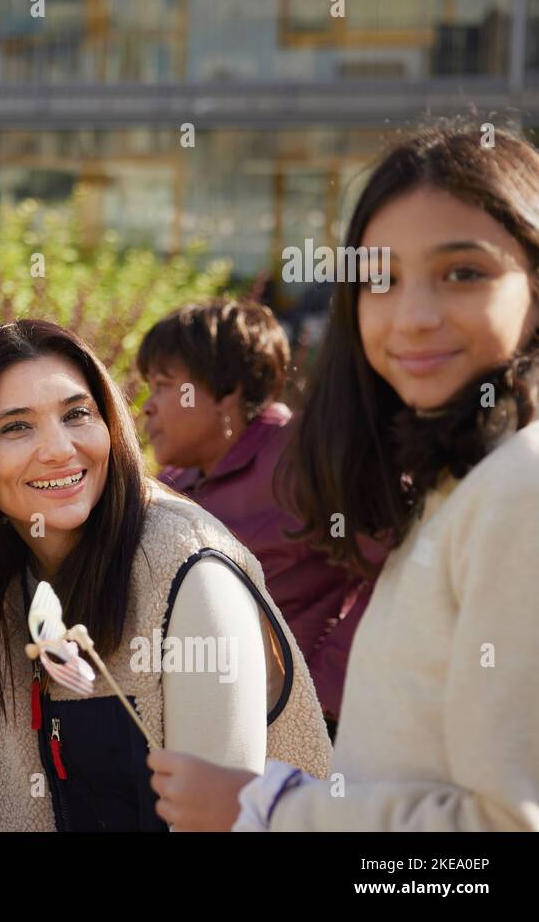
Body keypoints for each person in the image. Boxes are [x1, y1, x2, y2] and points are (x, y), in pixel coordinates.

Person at [149, 125, 539, 831]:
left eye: (463, 272)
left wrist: (267, 808)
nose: (414, 316)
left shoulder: (521, 487)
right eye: (380, 279)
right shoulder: (456, 482)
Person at [0, 319, 332, 831]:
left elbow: (219, 827)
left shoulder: (191, 575)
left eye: (76, 414)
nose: (60, 448)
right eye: (16, 426)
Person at [138, 299, 384, 731]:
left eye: (162, 384)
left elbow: (394, 567)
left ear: (227, 390)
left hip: (303, 736)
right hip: (200, 726)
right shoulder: (172, 484)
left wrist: (322, 687)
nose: (147, 406)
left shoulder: (303, 456)